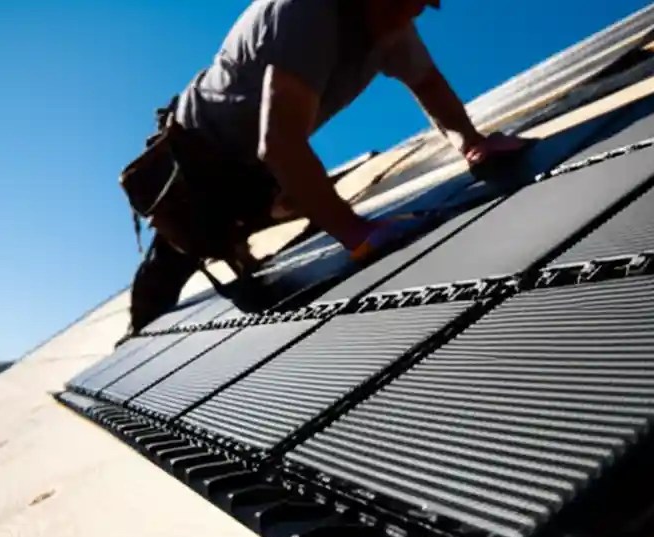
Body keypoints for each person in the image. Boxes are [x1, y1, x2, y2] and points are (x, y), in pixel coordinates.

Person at [125, 0, 527, 333]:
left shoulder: (393, 22)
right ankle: (137, 334)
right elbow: (280, 143)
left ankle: (242, 245)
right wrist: (355, 231)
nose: (415, 12)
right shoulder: (309, 12)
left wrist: (473, 143)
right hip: (198, 164)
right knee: (180, 254)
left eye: (425, 4)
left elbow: (428, 85)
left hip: (256, 170)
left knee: (287, 225)